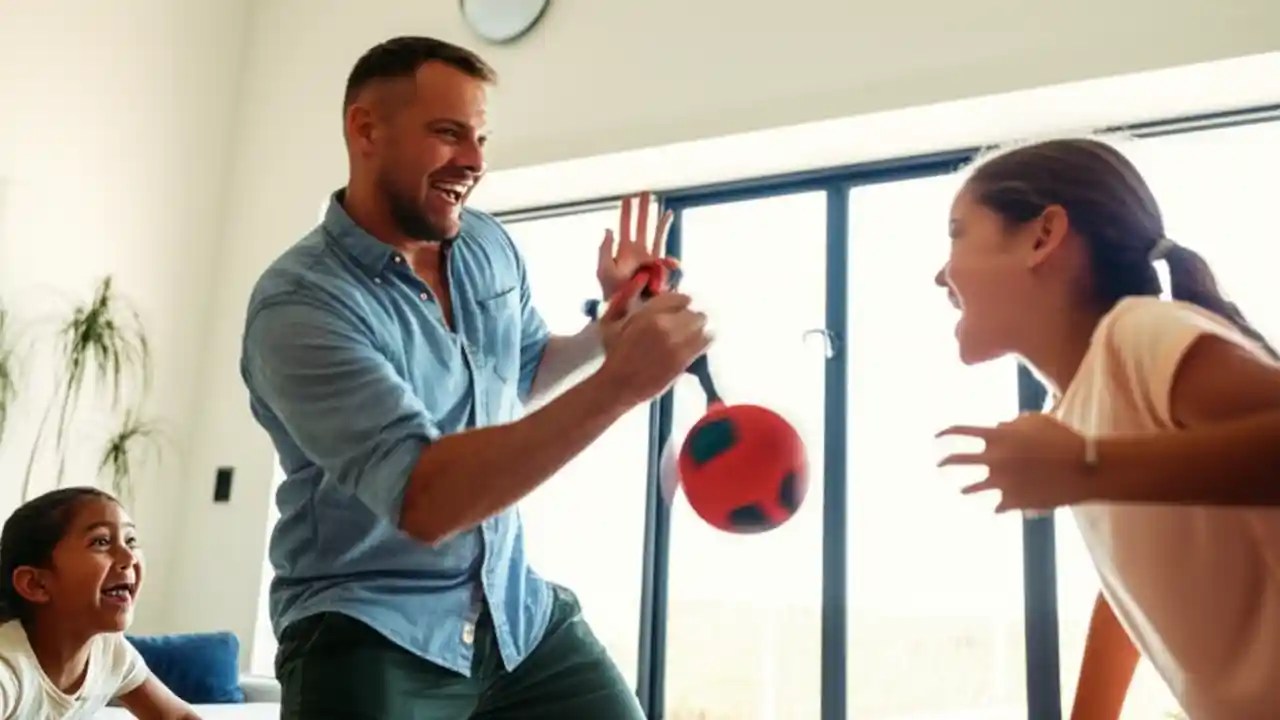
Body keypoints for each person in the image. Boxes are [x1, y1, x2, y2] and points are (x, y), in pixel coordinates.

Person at [240, 35, 711, 719]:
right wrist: (621, 385)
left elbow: (520, 371)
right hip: (369, 628)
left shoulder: (486, 244)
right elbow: (425, 499)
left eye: (481, 137)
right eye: (448, 134)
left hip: (515, 614)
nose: (476, 161)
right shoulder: (301, 305)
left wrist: (608, 334)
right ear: (366, 129)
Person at [930, 137, 1280, 719]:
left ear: (1043, 237)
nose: (942, 274)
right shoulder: (1076, 402)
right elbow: (1144, 571)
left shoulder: (1141, 335)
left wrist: (1086, 467)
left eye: (958, 234)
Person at [0, 487, 198, 719]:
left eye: (131, 541)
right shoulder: (9, 668)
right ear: (36, 584)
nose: (129, 558)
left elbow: (176, 717)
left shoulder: (110, 651)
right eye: (101, 542)